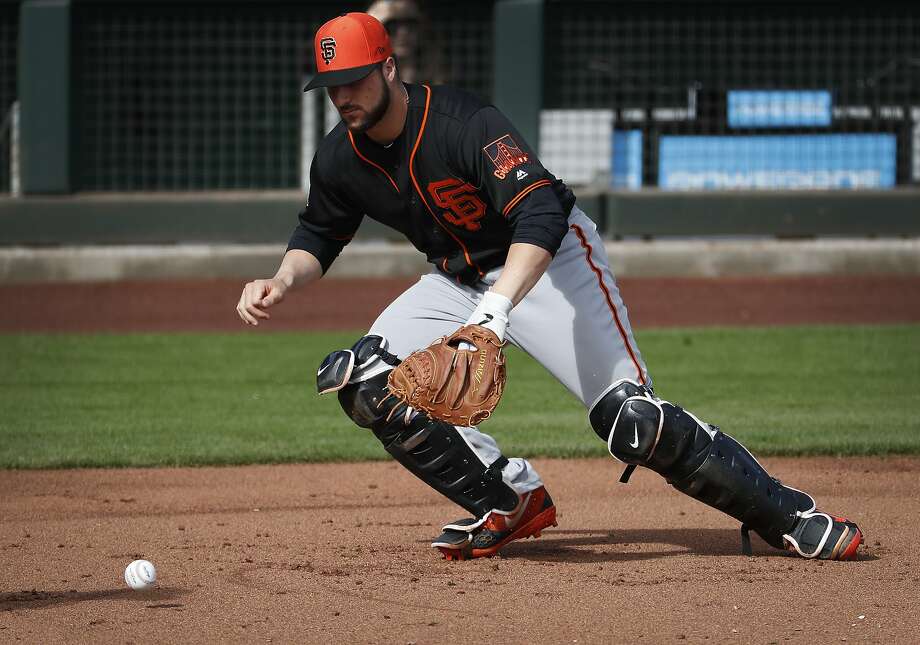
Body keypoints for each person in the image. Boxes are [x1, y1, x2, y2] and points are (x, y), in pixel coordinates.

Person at [237, 12, 863, 562]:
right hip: (456, 281)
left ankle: (790, 516)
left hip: (551, 263)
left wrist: (495, 313)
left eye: (355, 78)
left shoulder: (465, 122)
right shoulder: (340, 157)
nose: (343, 95)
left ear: (389, 68)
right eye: (332, 86)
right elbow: (320, 231)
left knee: (633, 422)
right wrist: (282, 278)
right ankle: (509, 499)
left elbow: (540, 216)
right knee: (366, 380)